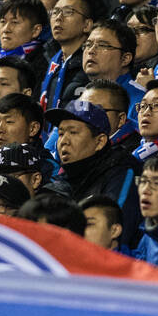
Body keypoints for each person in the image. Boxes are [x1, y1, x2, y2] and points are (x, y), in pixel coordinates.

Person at [48, 97, 142, 243]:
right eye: (61, 134)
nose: (63, 141)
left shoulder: (121, 171)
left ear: (100, 142)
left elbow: (117, 236)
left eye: (73, 132)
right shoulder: (59, 182)